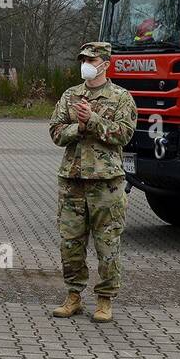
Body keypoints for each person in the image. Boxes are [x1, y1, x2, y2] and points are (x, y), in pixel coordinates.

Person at [48, 42, 138, 323]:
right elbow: (56, 132)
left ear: (105, 63)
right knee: (70, 243)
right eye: (82, 58)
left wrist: (95, 120)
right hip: (72, 181)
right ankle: (73, 295)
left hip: (106, 183)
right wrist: (80, 126)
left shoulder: (121, 97)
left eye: (91, 58)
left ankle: (105, 299)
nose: (85, 63)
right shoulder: (70, 95)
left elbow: (124, 135)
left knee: (107, 243)